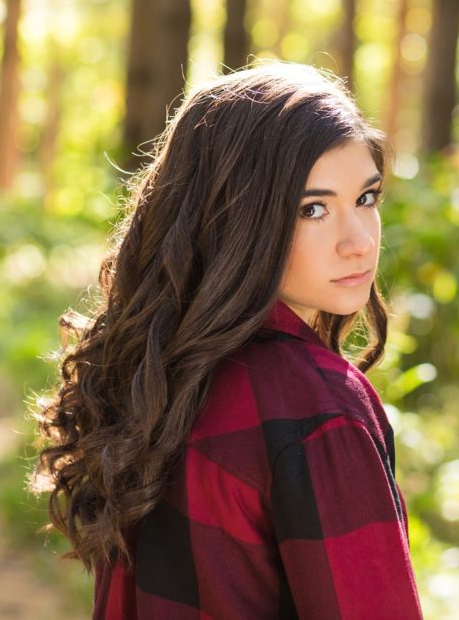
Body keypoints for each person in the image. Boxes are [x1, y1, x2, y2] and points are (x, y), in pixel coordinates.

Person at [33, 62, 423, 619]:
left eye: (366, 199)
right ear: (235, 217)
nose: (358, 241)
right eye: (312, 209)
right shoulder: (319, 411)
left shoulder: (158, 370)